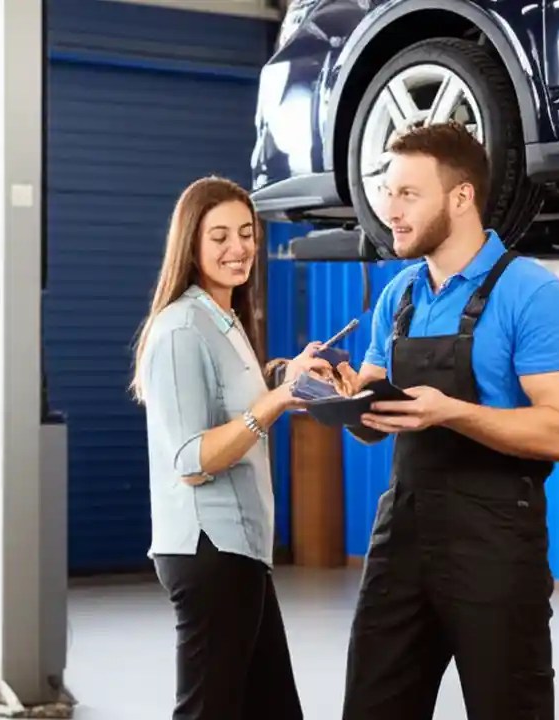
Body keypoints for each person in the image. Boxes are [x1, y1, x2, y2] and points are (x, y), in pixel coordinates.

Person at [330, 122, 559, 720]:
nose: (389, 210)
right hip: (403, 535)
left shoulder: (532, 294)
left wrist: (451, 413)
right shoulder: (398, 296)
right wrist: (338, 398)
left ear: (461, 197)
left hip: (495, 543)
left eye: (407, 195)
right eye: (387, 192)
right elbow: (372, 420)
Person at [130, 176, 328, 720]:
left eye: (246, 233)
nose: (237, 248)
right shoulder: (181, 328)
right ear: (190, 243)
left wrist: (287, 374)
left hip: (240, 552)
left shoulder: (225, 317)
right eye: (219, 236)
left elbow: (231, 393)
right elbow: (191, 461)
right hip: (208, 549)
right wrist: (277, 401)